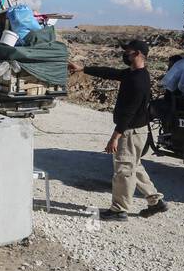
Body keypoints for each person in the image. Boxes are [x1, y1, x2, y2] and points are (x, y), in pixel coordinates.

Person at [67, 39, 167, 221]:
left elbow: (128, 114)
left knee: (123, 170)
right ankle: (156, 201)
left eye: (128, 52)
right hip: (137, 131)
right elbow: (110, 72)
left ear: (138, 54)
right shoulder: (134, 74)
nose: (124, 55)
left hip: (130, 132)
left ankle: (119, 210)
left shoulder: (138, 81)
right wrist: (83, 68)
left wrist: (114, 137)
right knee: (133, 166)